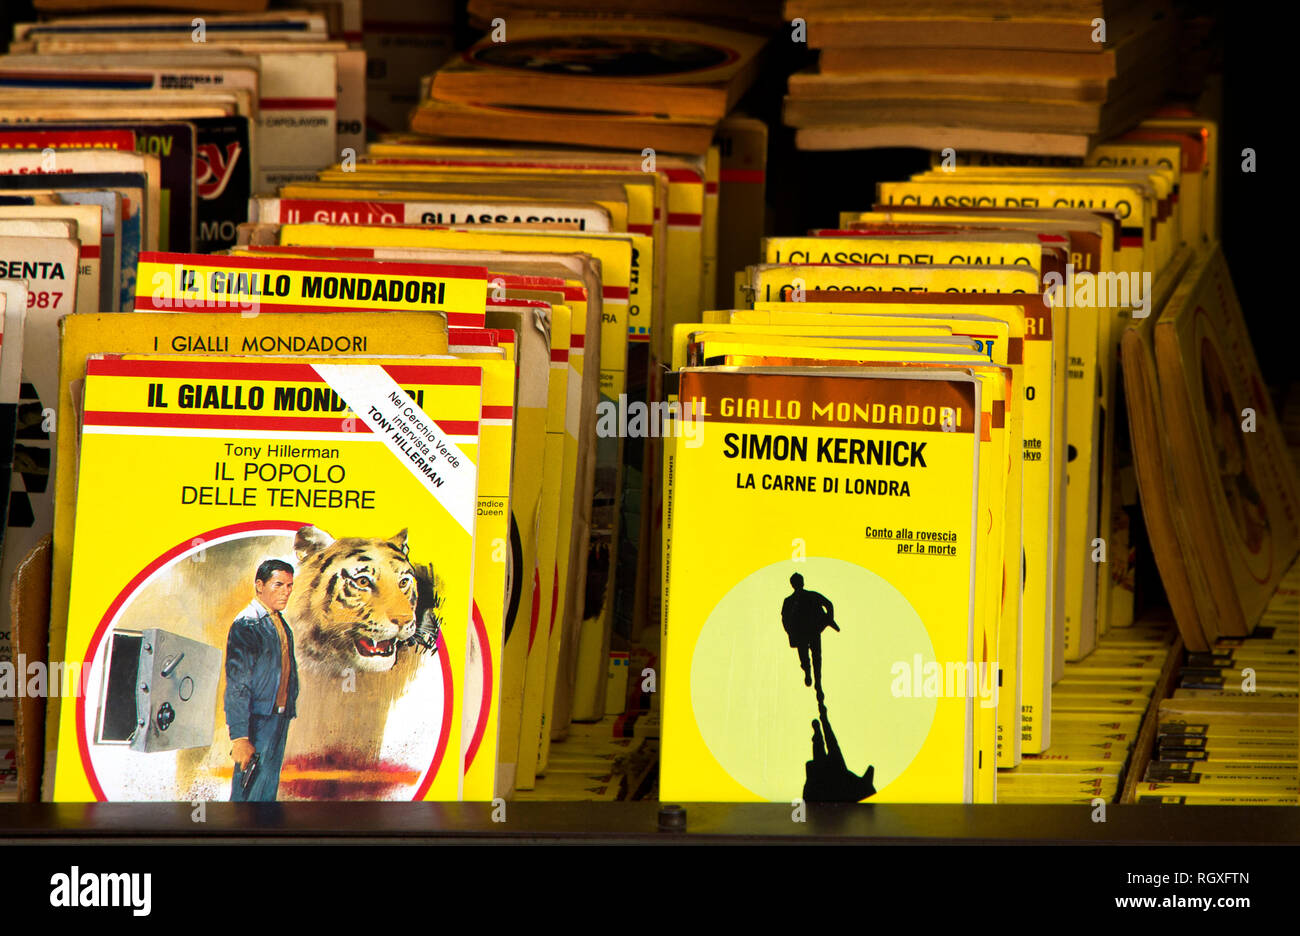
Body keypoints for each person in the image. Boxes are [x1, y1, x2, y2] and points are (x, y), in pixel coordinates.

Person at [224, 559, 298, 802]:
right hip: (256, 720)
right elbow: (237, 684)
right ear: (259, 585)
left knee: (266, 789)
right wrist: (240, 737)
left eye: (289, 585)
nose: (286, 592)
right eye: (278, 585)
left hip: (278, 716)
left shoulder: (280, 623)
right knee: (249, 790)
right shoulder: (248, 623)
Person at [780, 572, 838, 694]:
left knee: (814, 657)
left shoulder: (808, 596)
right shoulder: (790, 601)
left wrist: (826, 621)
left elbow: (828, 604)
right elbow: (785, 619)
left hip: (811, 632)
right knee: (811, 658)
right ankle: (811, 674)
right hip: (804, 633)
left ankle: (817, 681)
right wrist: (791, 632)